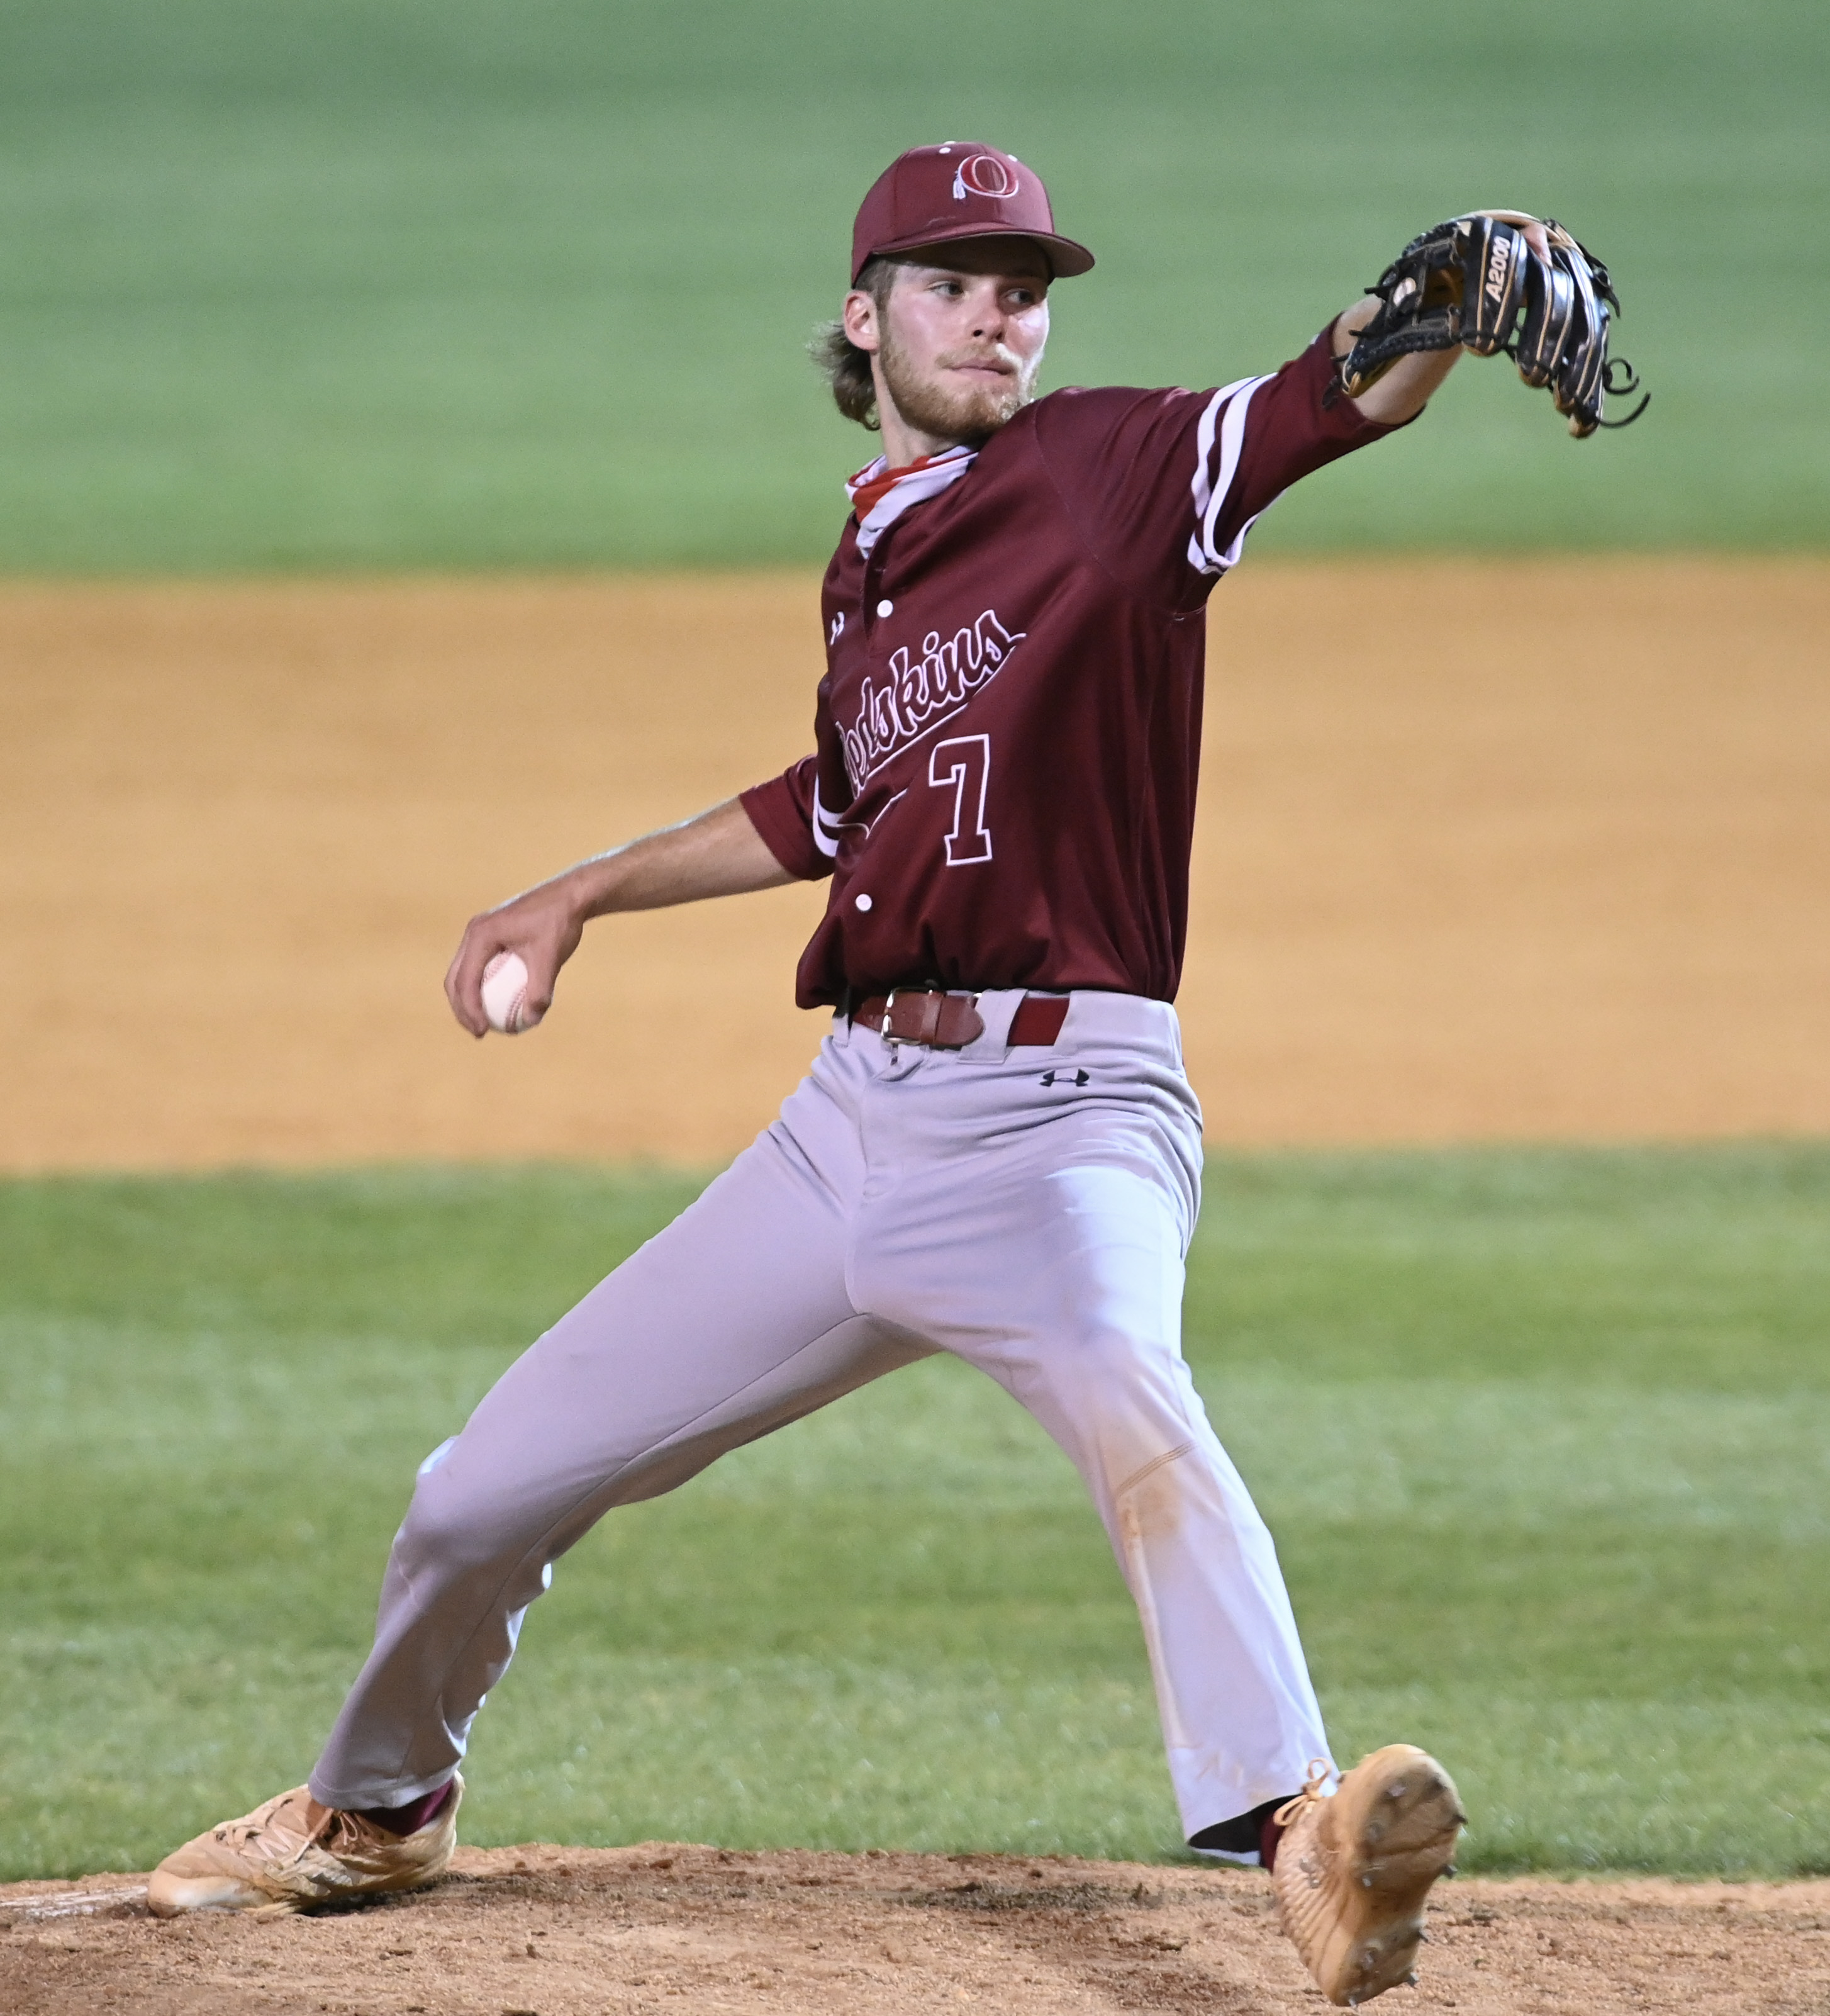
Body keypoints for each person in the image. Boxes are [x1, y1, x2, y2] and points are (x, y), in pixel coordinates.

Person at [150, 143, 1505, 2004]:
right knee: (479, 1491)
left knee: (1130, 1388)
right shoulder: (874, 549)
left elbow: (1312, 407)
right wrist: (582, 891)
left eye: (1023, 288)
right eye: (955, 282)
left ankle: (1304, 1837)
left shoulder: (1101, 473)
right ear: (865, 318)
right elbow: (838, 798)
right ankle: (379, 1807)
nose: (1000, 315)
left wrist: (1432, 310)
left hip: (1064, 1128)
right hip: (848, 1130)